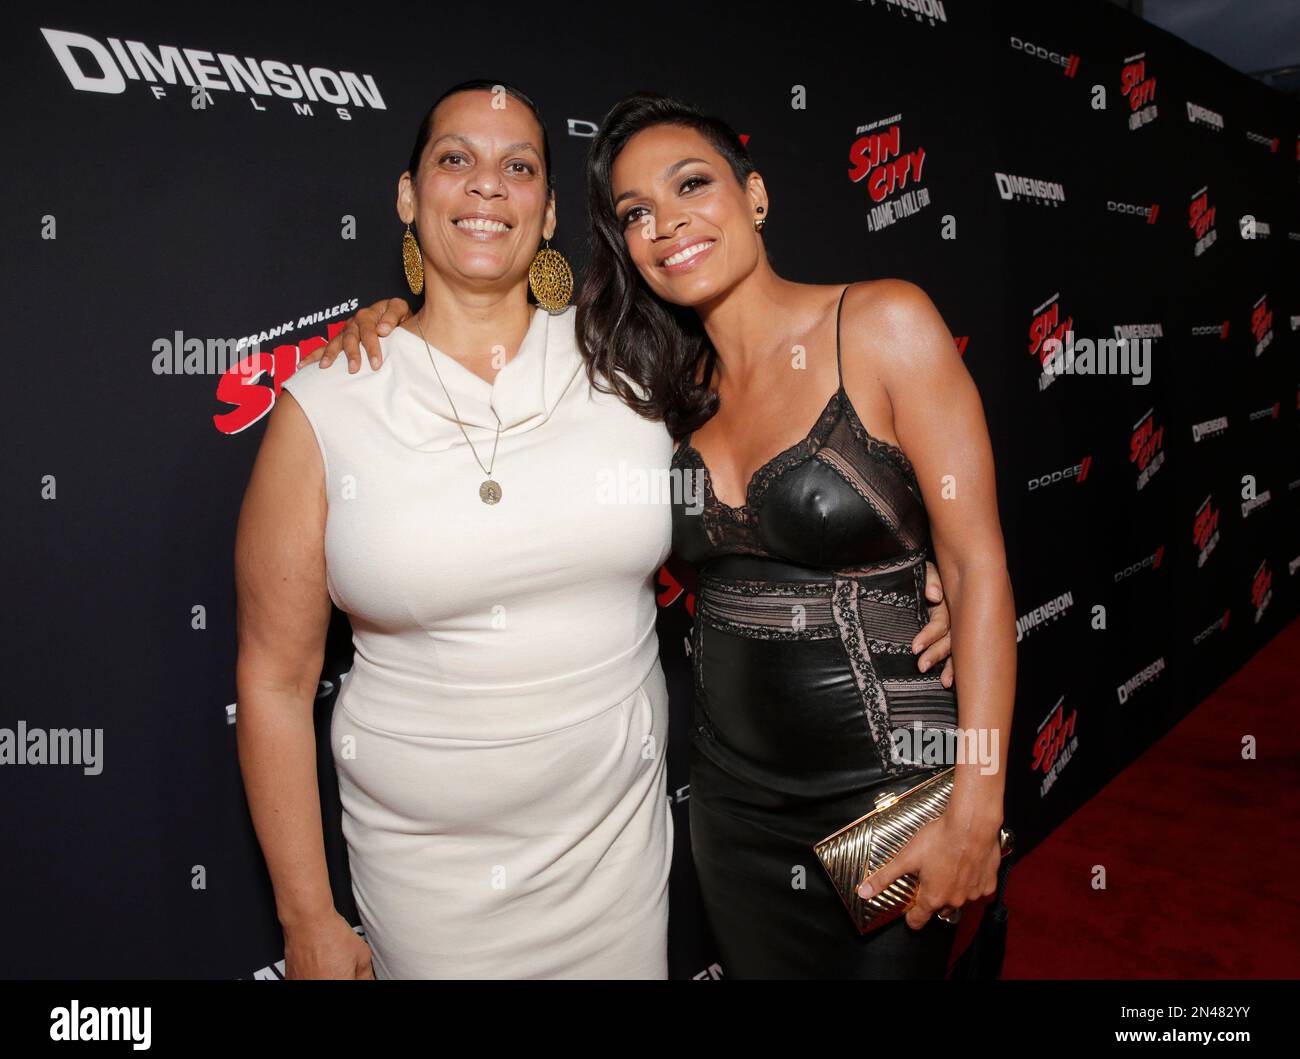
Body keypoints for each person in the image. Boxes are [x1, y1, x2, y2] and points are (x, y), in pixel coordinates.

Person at [301, 91, 968, 979]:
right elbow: (274, 674)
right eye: (636, 212)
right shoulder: (655, 374)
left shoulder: (670, 361)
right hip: (708, 816)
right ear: (407, 195)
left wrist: (978, 774)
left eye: (693, 185)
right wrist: (384, 322)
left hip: (840, 799)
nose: (668, 223)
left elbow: (973, 555)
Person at [235, 80, 683, 979]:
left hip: (617, 867)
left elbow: (774, 461)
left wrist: (916, 560)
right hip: (427, 888)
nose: (487, 185)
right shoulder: (325, 404)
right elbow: (275, 681)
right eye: (455, 159)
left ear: (548, 214)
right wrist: (307, 916)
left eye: (519, 167)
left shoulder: (630, 363)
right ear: (408, 197)